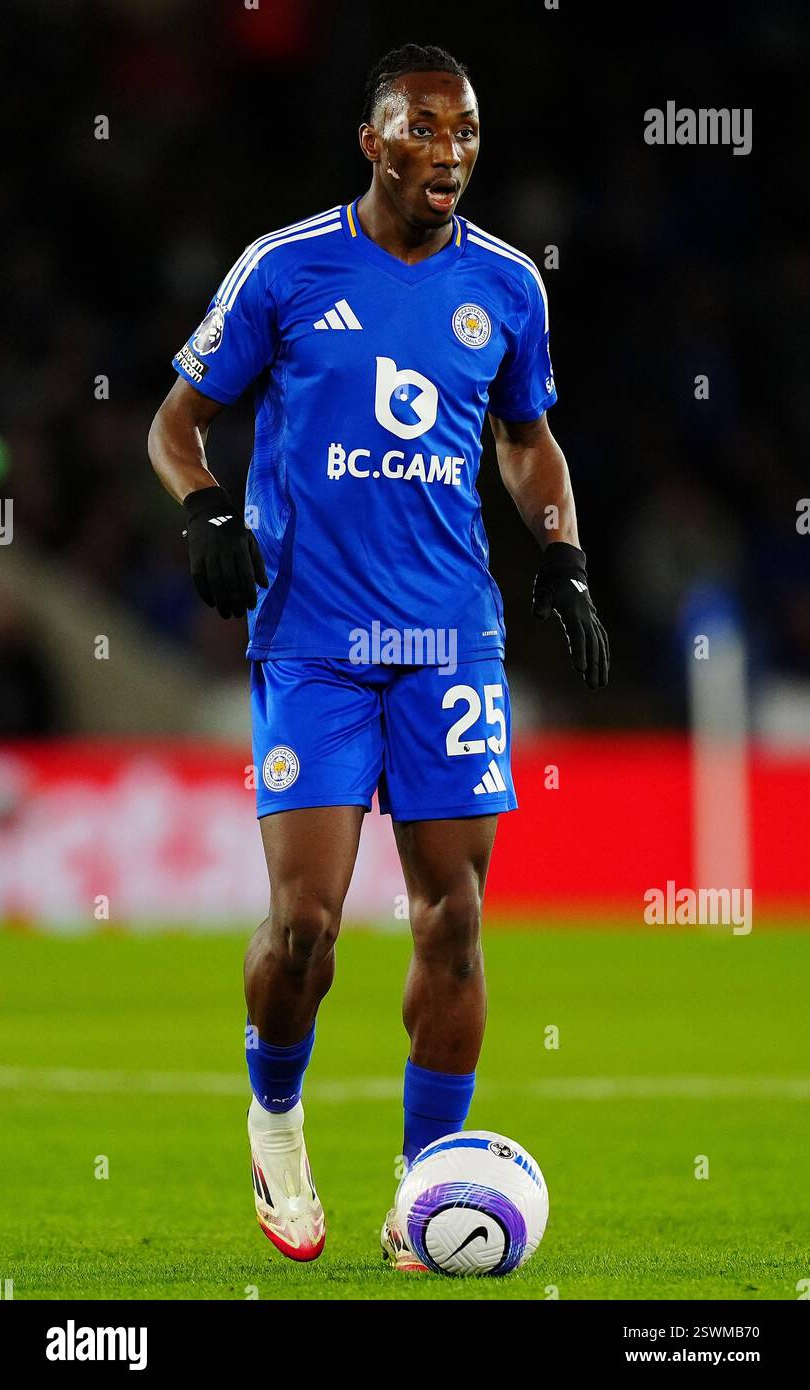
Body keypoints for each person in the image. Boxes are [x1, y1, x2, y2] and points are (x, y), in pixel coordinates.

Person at [148, 42, 609, 1273]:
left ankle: (421, 1188)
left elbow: (527, 440)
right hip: (313, 641)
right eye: (423, 130)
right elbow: (176, 421)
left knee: (452, 919)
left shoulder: (507, 287)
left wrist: (559, 554)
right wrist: (201, 509)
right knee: (304, 924)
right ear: (373, 140)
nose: (449, 152)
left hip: (450, 638)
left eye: (465, 133)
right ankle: (277, 1119)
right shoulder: (287, 268)